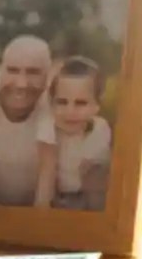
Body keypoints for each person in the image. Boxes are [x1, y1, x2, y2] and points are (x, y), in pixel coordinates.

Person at [0, 35, 58, 207]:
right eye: (13, 70)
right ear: (0, 70)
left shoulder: (58, 107)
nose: (21, 83)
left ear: (48, 76)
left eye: (33, 72)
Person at [46, 56, 113, 211]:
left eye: (81, 103)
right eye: (62, 102)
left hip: (87, 199)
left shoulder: (98, 129)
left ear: (97, 105)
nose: (70, 112)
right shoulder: (47, 129)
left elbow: (92, 180)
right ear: (51, 104)